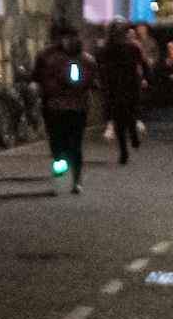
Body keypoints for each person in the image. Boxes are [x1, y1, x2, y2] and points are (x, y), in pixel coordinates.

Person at [33, 20, 97, 193]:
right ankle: (76, 181)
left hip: (54, 106)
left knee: (57, 140)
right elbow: (93, 82)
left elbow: (38, 77)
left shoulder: (46, 57)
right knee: (75, 142)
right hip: (78, 106)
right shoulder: (86, 58)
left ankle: (60, 163)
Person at [97, 22, 146, 165]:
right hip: (130, 85)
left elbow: (100, 67)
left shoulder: (106, 50)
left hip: (114, 87)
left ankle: (124, 150)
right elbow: (143, 65)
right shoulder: (132, 48)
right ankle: (132, 135)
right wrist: (146, 78)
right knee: (129, 113)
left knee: (119, 119)